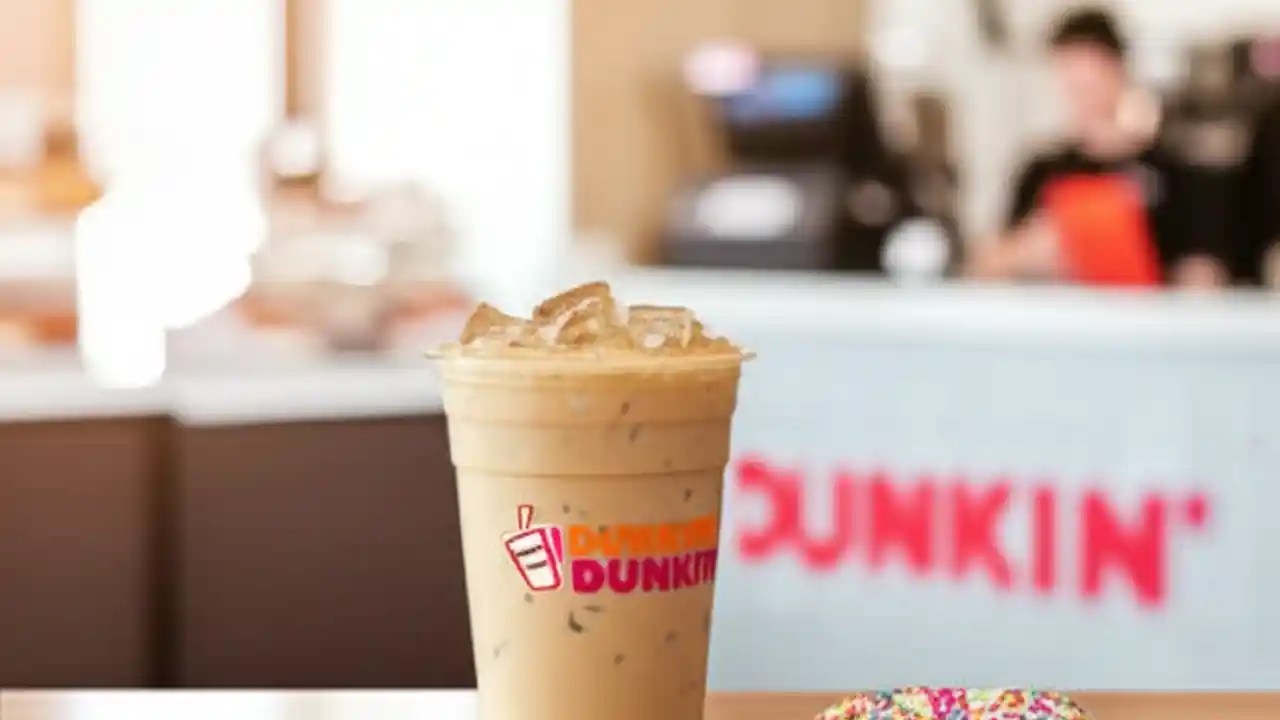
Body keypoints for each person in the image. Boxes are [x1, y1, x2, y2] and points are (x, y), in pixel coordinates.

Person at [970, 8, 1229, 287]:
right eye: (1071, 76)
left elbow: (1208, 270)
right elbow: (985, 263)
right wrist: (1026, 252)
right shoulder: (1040, 170)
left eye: (1092, 75)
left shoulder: (1173, 173)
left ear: (1119, 70)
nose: (1082, 90)